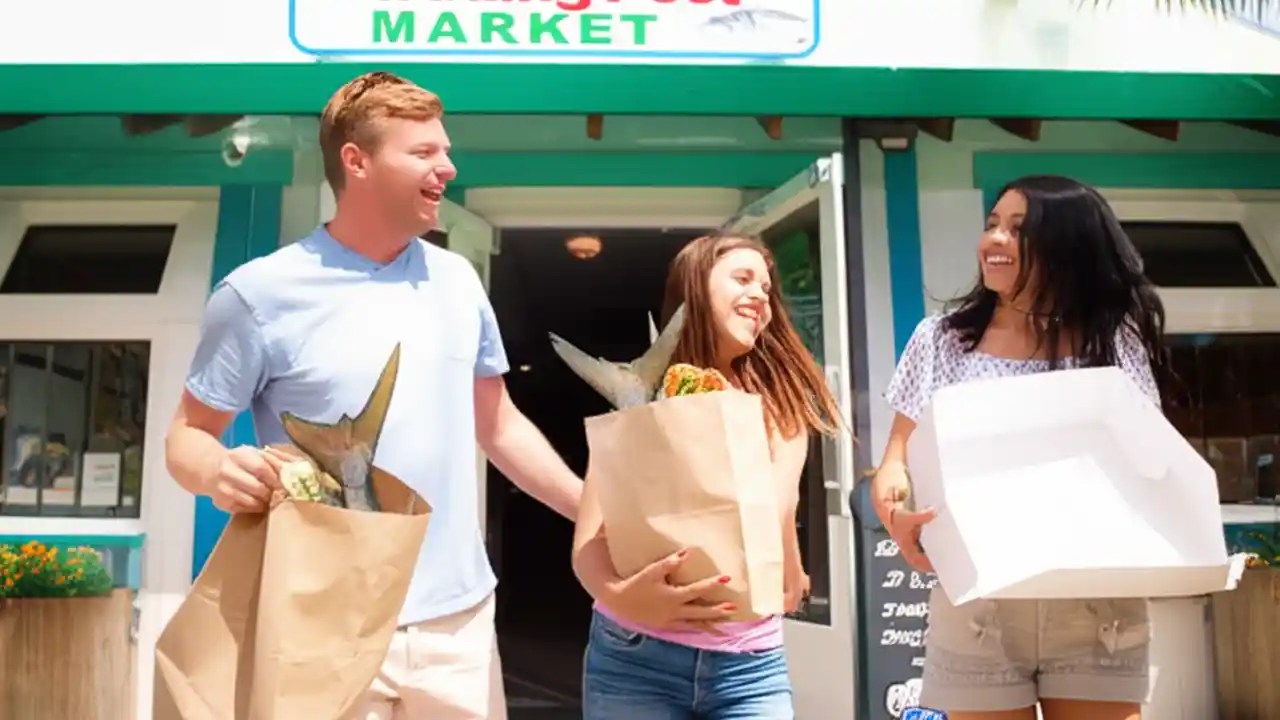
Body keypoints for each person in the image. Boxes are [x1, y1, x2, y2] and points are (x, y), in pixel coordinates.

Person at [163, 71, 586, 720]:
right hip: (318, 618)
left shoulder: (457, 280)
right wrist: (219, 469)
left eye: (444, 150)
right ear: (356, 162)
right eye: (423, 152)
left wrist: (592, 507)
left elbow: (497, 425)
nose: (447, 166)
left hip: (457, 622)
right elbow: (186, 437)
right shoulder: (257, 295)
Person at [871, 175, 1172, 720]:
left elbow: (1148, 463)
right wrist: (895, 512)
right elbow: (896, 459)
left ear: (1067, 246)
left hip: (1096, 601)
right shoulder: (940, 341)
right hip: (976, 601)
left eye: (1017, 229)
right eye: (991, 225)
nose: (994, 240)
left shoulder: (1115, 342)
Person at [572, 233, 843, 719]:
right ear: (696, 288)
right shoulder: (645, 400)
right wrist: (624, 598)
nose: (761, 295)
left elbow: (778, 514)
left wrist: (793, 572)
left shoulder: (781, 405)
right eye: (743, 278)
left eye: (767, 286)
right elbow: (588, 546)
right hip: (636, 655)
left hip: (750, 667)